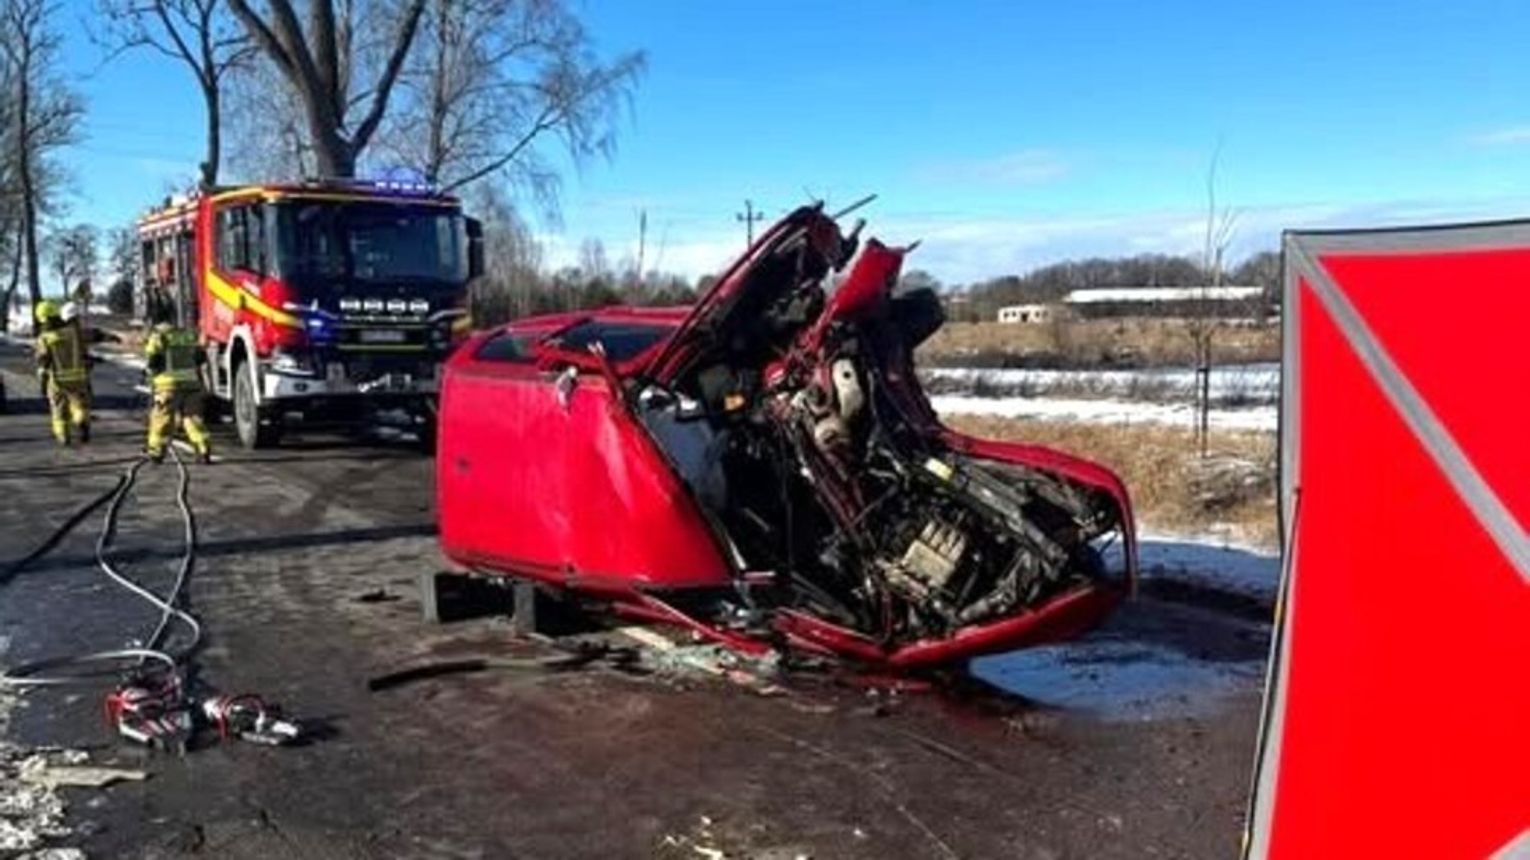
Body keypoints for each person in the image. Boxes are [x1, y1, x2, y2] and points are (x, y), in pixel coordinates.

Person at [144, 302, 212, 463]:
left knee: (162, 419)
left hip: (167, 386)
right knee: (193, 418)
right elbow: (200, 358)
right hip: (191, 385)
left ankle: (156, 451)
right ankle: (203, 449)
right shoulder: (187, 334)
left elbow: (153, 361)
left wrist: (150, 377)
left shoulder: (159, 336)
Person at [33, 299, 92, 445]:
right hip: (79, 377)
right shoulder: (73, 332)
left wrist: (42, 381)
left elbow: (43, 362)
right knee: (79, 404)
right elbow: (86, 346)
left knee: (58, 407)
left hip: (57, 379)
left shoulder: (45, 338)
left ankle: (63, 435)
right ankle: (81, 420)